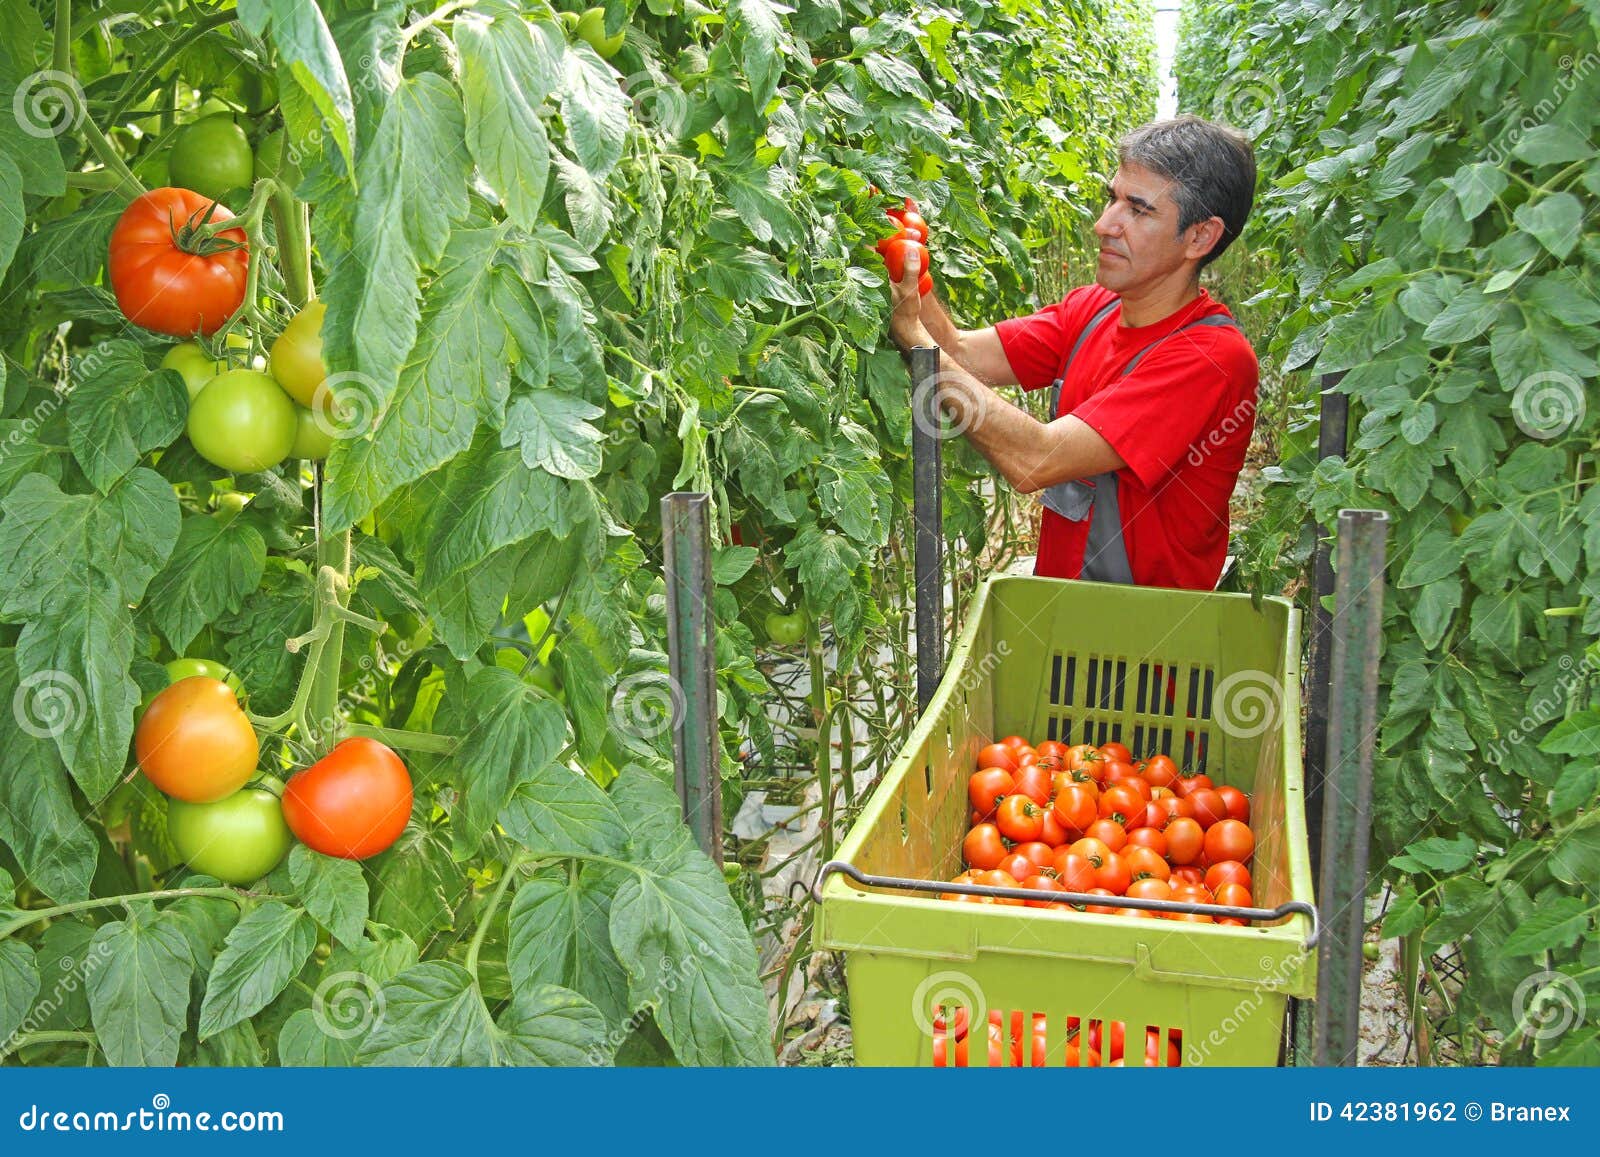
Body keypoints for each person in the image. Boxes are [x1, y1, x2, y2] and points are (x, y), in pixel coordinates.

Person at [887, 115, 1259, 591]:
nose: (1105, 225)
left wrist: (915, 340)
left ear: (1200, 237)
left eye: (1139, 211)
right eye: (1113, 199)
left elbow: (1035, 460)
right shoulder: (1096, 308)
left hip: (1143, 646)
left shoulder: (1211, 359)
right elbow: (962, 352)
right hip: (1066, 617)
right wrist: (910, 269)